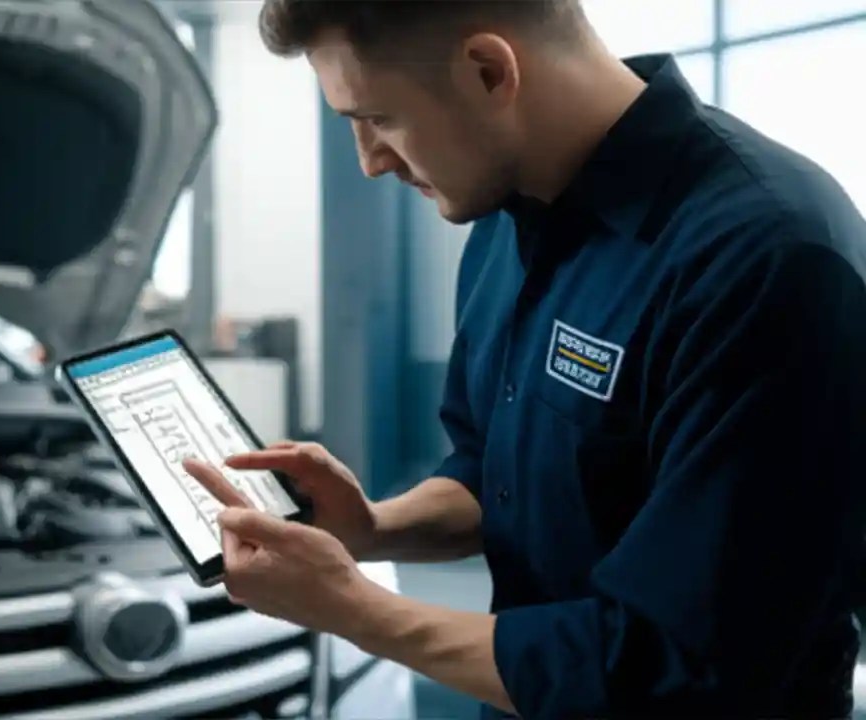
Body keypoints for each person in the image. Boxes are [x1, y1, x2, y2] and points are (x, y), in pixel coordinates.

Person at [181, 1, 866, 717]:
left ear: (487, 71)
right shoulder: (504, 224)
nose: (371, 161)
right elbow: (491, 475)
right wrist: (374, 527)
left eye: (378, 118)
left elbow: (680, 665)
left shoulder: (770, 258)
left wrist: (354, 609)